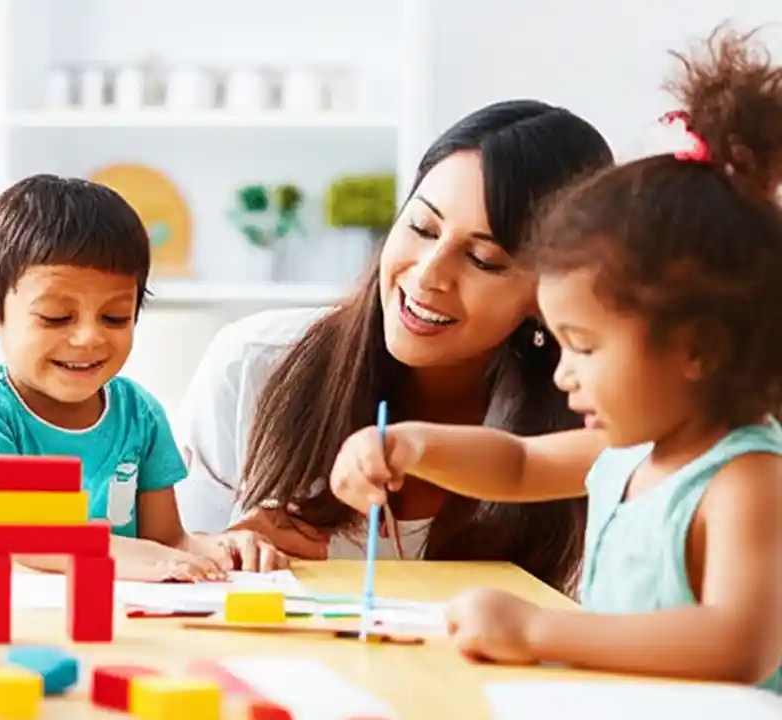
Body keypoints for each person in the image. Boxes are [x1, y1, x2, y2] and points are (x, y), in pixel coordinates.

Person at [329, 26, 782, 688]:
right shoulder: (629, 453)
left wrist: (538, 628)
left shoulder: (745, 479)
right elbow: (517, 463)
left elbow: (736, 642)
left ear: (698, 349)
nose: (563, 372)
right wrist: (411, 445)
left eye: (585, 346)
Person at [174, 100, 614, 593]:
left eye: (484, 259)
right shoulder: (253, 363)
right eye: (422, 228)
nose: (428, 275)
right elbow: (173, 565)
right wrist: (224, 551)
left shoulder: (586, 422)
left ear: (550, 292)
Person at [0, 174, 288, 582]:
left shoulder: (140, 414)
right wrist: (143, 559)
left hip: (125, 622)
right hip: (16, 622)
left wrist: (224, 546)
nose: (89, 338)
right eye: (56, 317)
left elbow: (168, 541)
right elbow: (18, 531)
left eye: (115, 317)